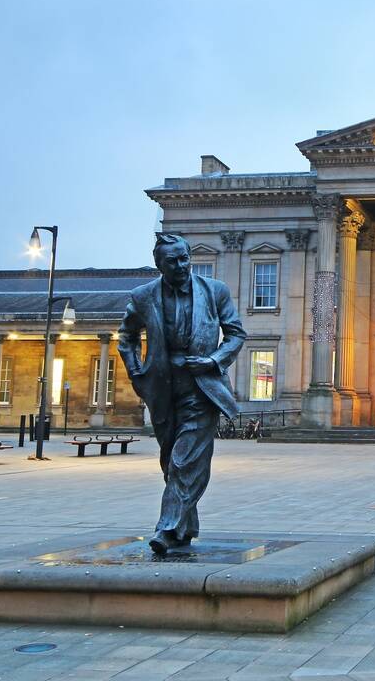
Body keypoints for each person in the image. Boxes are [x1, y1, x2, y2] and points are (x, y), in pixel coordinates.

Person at [117, 233, 246, 554]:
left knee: (184, 460)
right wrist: (136, 372)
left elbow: (235, 334)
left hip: (202, 389)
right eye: (172, 261)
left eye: (184, 258)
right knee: (170, 461)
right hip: (162, 388)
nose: (181, 265)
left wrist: (213, 360)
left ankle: (166, 527)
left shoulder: (215, 291)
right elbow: (126, 336)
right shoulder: (144, 296)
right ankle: (185, 527)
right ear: (159, 265)